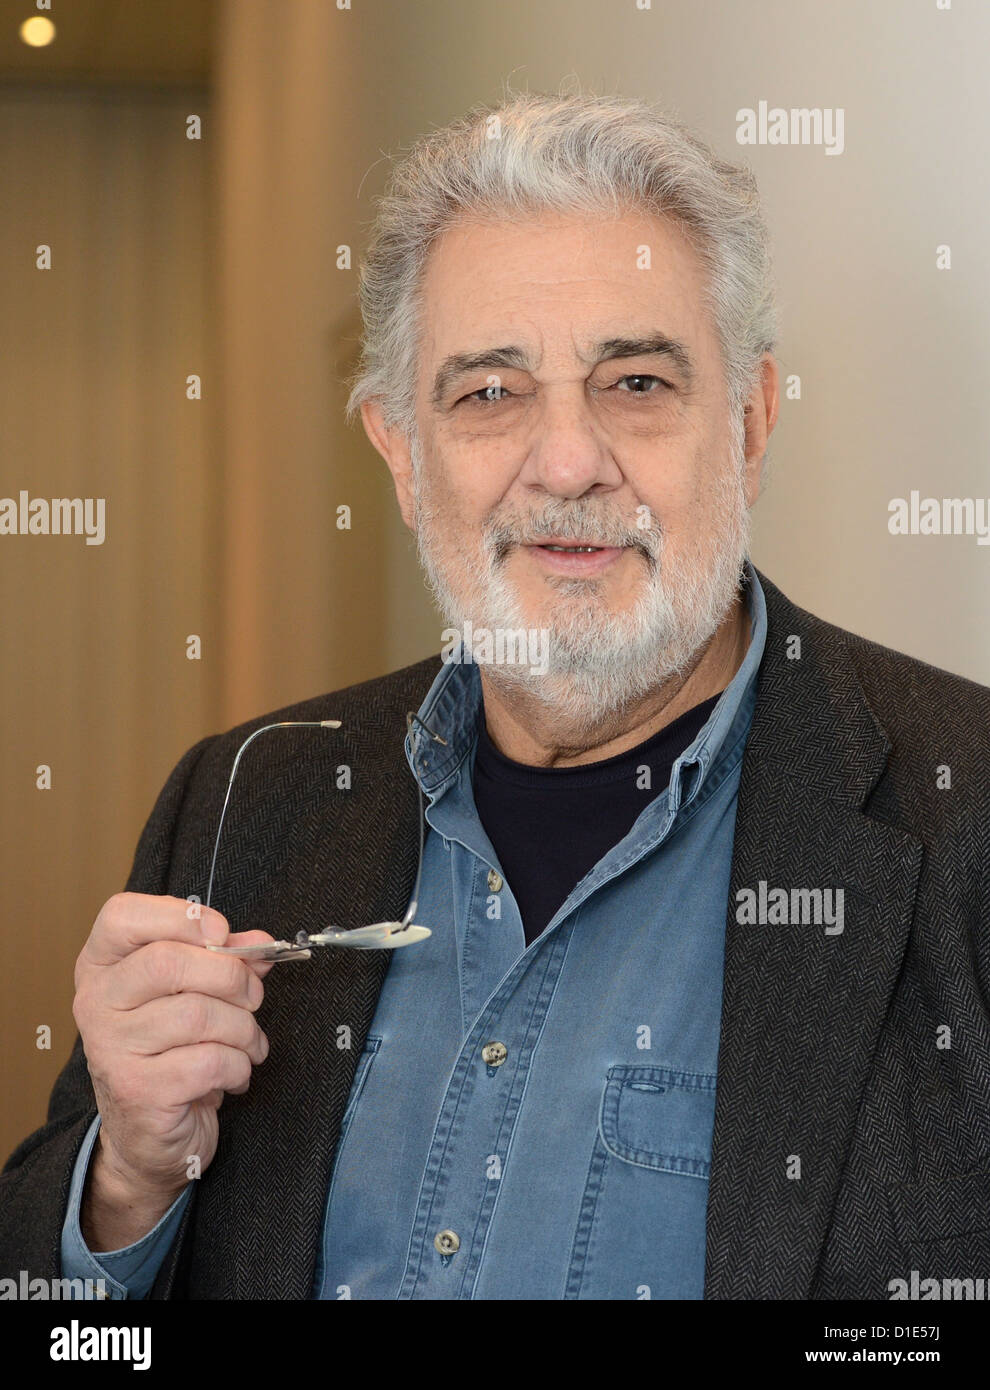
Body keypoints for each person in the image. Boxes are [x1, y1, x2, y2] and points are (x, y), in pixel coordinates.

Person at [3, 90, 990, 1301]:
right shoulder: (243, 798)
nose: (568, 461)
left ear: (750, 421)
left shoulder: (968, 817)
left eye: (634, 381)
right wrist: (126, 1183)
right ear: (404, 458)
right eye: (489, 392)